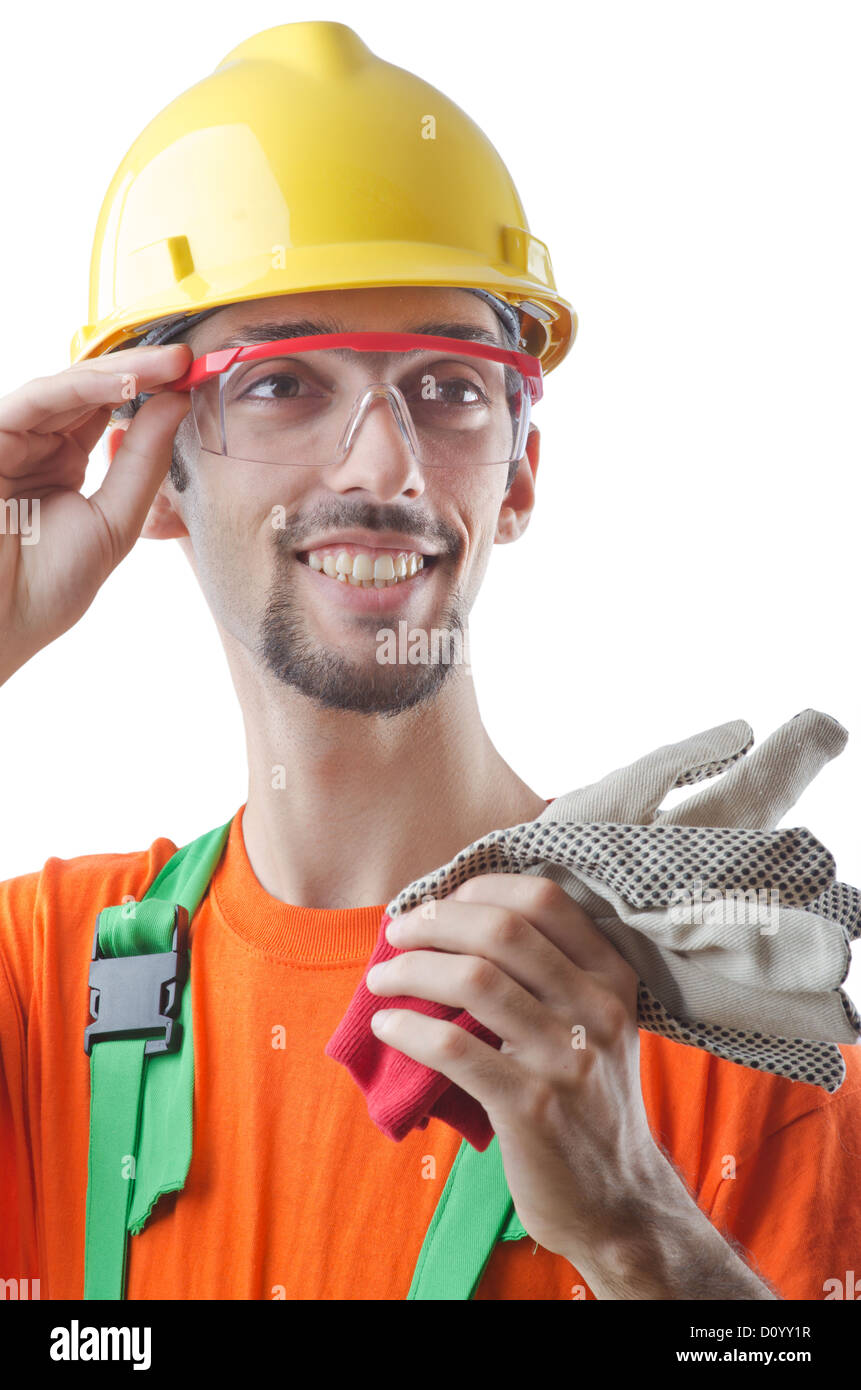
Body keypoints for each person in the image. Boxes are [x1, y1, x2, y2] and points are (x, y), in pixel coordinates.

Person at [1, 20, 859, 1302]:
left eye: (450, 385)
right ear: (150, 470)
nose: (382, 465)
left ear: (520, 467)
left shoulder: (718, 1025)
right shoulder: (41, 982)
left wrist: (638, 1232)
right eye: (283, 380)